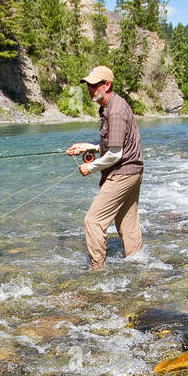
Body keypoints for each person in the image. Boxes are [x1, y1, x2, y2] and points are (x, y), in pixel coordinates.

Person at [65, 65, 144, 271]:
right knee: (127, 224)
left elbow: (116, 154)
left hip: (122, 173)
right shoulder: (111, 106)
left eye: (93, 85)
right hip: (133, 171)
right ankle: (138, 267)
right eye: (88, 86)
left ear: (107, 85)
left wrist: (90, 167)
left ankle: (98, 271)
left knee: (93, 222)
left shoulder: (115, 111)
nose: (89, 89)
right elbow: (117, 144)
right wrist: (88, 146)